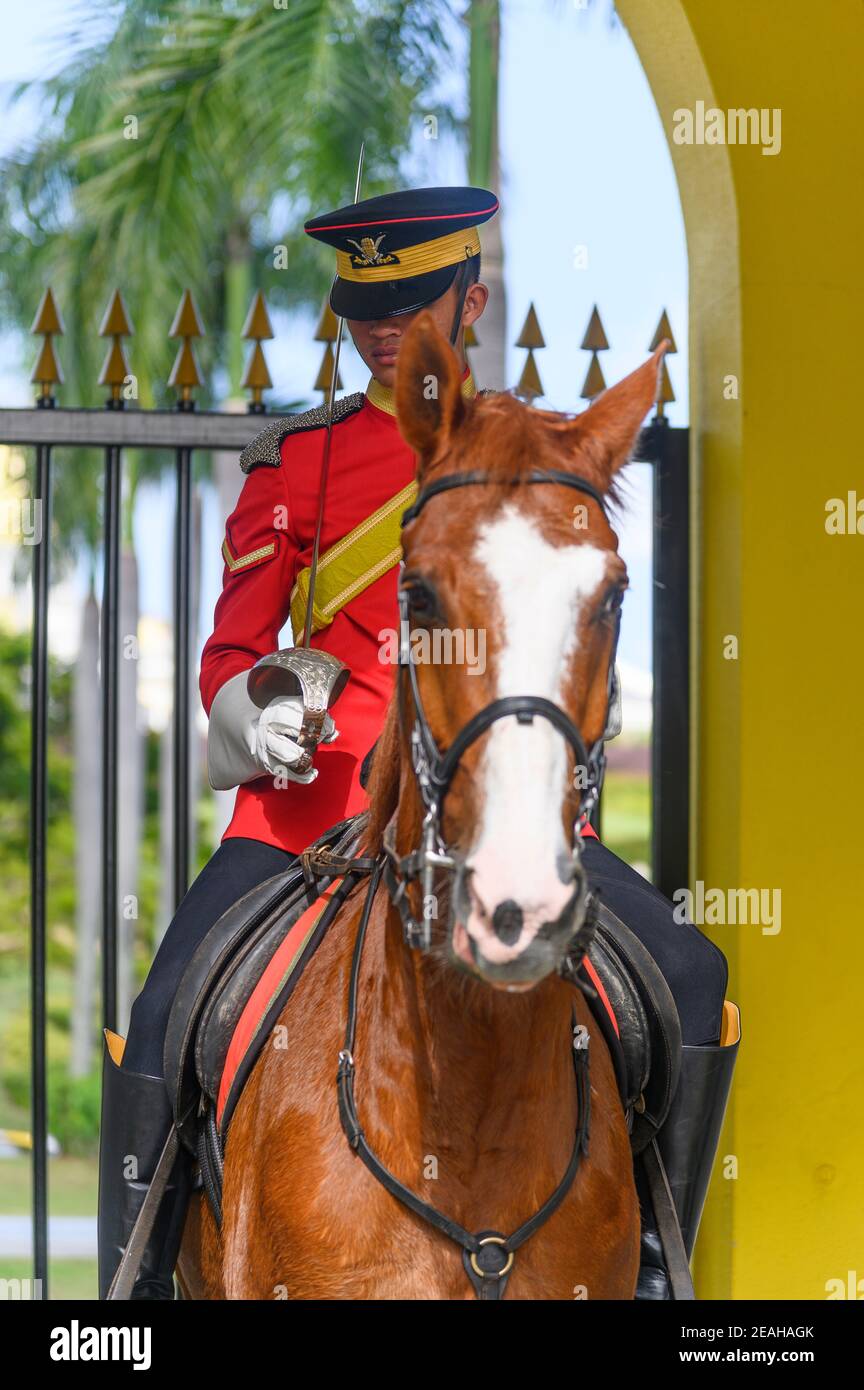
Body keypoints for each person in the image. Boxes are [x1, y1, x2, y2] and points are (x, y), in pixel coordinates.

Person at [97, 185, 735, 1301]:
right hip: (308, 816)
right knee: (160, 1015)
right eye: (364, 315)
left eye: (413, 310)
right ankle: (133, 1293)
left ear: (471, 301)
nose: (385, 337)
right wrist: (253, 710)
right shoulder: (298, 462)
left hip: (504, 807)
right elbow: (227, 654)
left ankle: (648, 1266)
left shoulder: (537, 452)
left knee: (691, 971)